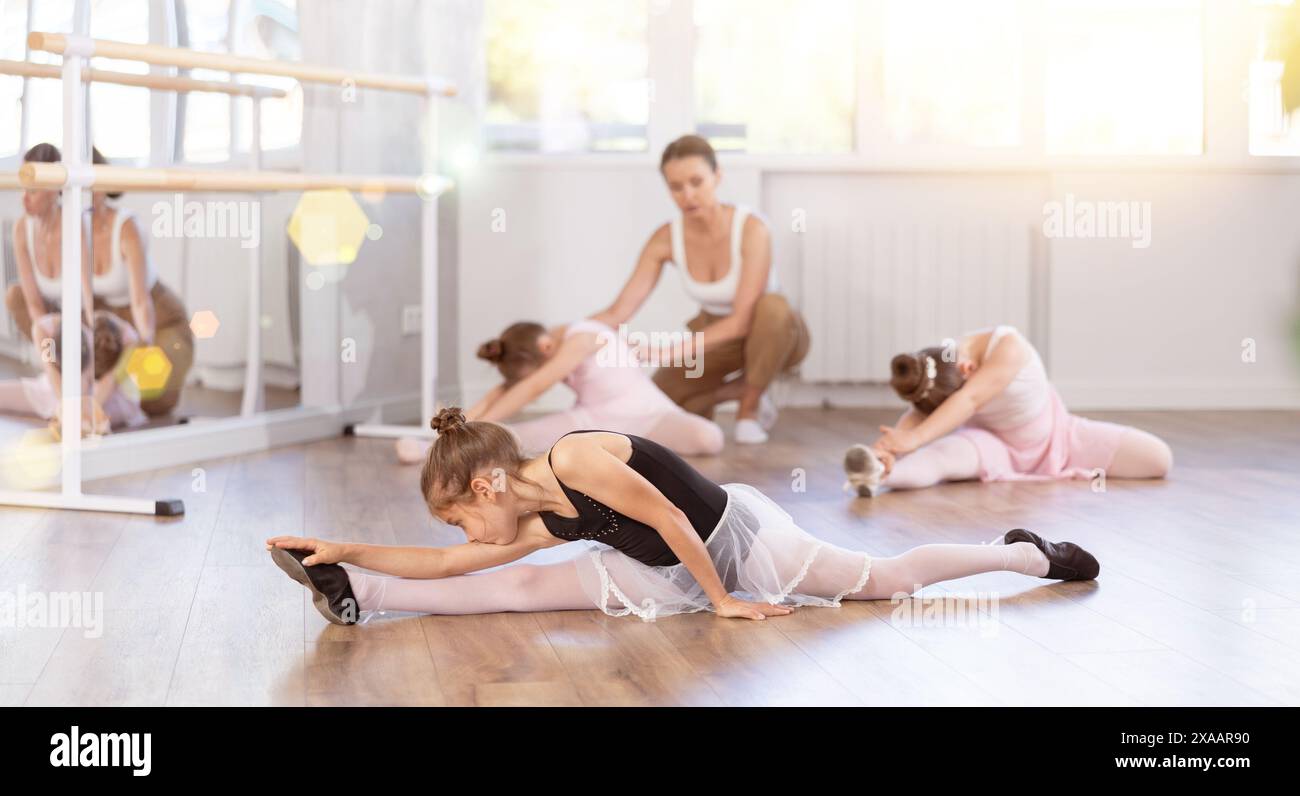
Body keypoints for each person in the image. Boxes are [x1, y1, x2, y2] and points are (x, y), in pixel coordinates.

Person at [268, 407, 1100, 626]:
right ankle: (356, 595)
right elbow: (451, 567)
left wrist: (731, 599)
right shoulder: (531, 515)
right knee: (519, 586)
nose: (461, 537)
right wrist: (343, 548)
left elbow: (671, 517)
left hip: (739, 541)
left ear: (484, 486)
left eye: (455, 518)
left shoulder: (575, 459)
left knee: (884, 585)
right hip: (665, 568)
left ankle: (1024, 555)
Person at [590, 135, 810, 444]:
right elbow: (618, 311)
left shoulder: (751, 228)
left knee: (771, 306)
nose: (687, 195)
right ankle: (733, 391)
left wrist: (664, 351)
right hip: (716, 335)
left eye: (696, 182)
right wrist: (566, 334)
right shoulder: (666, 238)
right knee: (663, 401)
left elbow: (742, 320)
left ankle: (749, 408)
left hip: (777, 333)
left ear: (717, 176)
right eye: (676, 187)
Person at [843, 324, 1173, 497]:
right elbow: (921, 414)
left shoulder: (1007, 346)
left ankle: (882, 472)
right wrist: (885, 451)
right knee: (941, 459)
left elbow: (968, 401)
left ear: (969, 369)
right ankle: (877, 477)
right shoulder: (942, 372)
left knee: (1158, 458)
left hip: (1060, 437)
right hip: (994, 445)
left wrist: (913, 440)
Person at [5, 143, 195, 417]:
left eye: (90, 186)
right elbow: (67, 307)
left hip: (155, 314)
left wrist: (140, 351)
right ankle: (71, 388)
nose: (83, 196)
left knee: (154, 397)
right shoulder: (70, 225)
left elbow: (142, 304)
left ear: (103, 185)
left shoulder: (125, 227)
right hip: (107, 318)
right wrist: (62, 373)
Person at [395, 318, 724, 464]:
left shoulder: (581, 338)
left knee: (709, 438)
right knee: (514, 440)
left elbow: (534, 385)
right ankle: (432, 449)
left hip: (651, 414)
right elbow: (504, 391)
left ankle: (635, 450)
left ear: (546, 346)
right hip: (594, 419)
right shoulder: (543, 348)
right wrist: (459, 425)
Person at [0, 311, 147, 436]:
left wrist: (85, 411)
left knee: (90, 418)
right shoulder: (45, 330)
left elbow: (109, 381)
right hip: (55, 387)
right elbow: (50, 368)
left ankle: (83, 422)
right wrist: (67, 404)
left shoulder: (129, 342)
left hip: (108, 397)